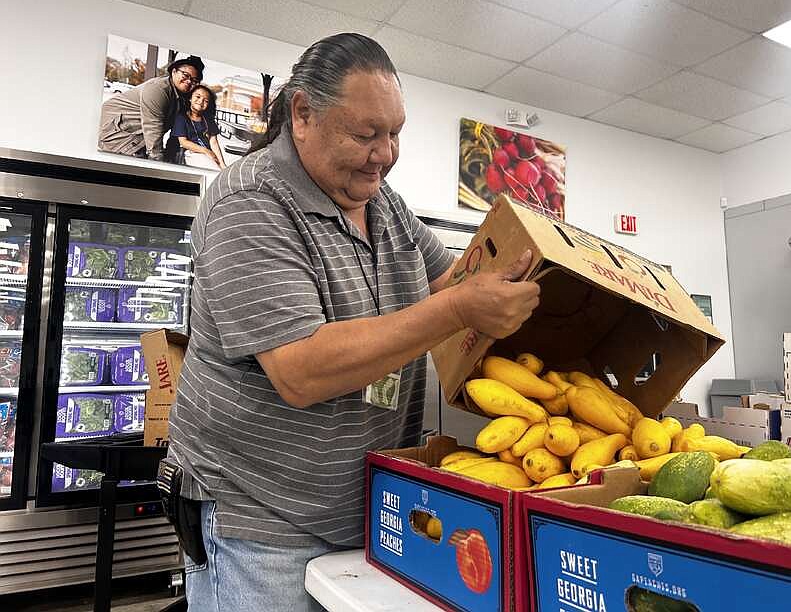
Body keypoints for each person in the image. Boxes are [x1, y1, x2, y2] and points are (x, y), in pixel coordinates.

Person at [166, 33, 540, 612]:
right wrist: (460, 309)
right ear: (302, 115)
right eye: (366, 134)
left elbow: (449, 281)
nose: (385, 154)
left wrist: (523, 278)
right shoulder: (249, 202)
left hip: (367, 510)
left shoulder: (383, 202)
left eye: (395, 134)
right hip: (262, 522)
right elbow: (301, 369)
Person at [98, 56, 205, 161]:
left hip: (137, 136)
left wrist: (170, 156)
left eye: (194, 80)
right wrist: (158, 162)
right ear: (174, 71)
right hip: (115, 131)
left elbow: (178, 131)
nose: (189, 81)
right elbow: (153, 128)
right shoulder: (158, 89)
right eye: (186, 75)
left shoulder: (183, 99)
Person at [169, 84, 227, 170]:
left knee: (219, 169)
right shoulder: (182, 117)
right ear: (190, 98)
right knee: (213, 170)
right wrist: (205, 151)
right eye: (198, 97)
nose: (201, 101)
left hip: (208, 154)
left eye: (206, 101)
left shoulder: (208, 120)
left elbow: (213, 142)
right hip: (190, 152)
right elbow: (183, 142)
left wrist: (222, 164)